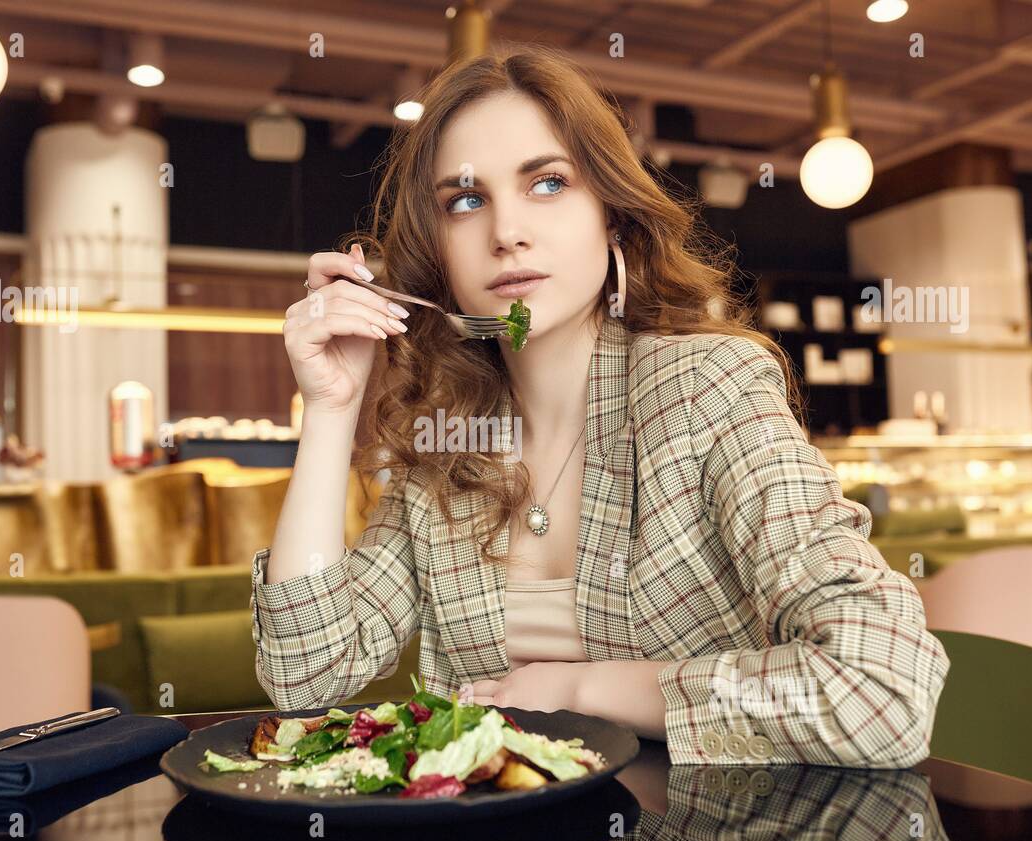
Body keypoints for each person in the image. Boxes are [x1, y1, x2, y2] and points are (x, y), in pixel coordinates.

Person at [250, 44, 950, 767]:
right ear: (438, 252)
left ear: (611, 216)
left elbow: (883, 690)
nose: (506, 231)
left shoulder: (705, 390)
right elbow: (307, 678)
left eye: (547, 183)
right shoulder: (445, 438)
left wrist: (582, 692)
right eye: (466, 200)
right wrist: (331, 410)